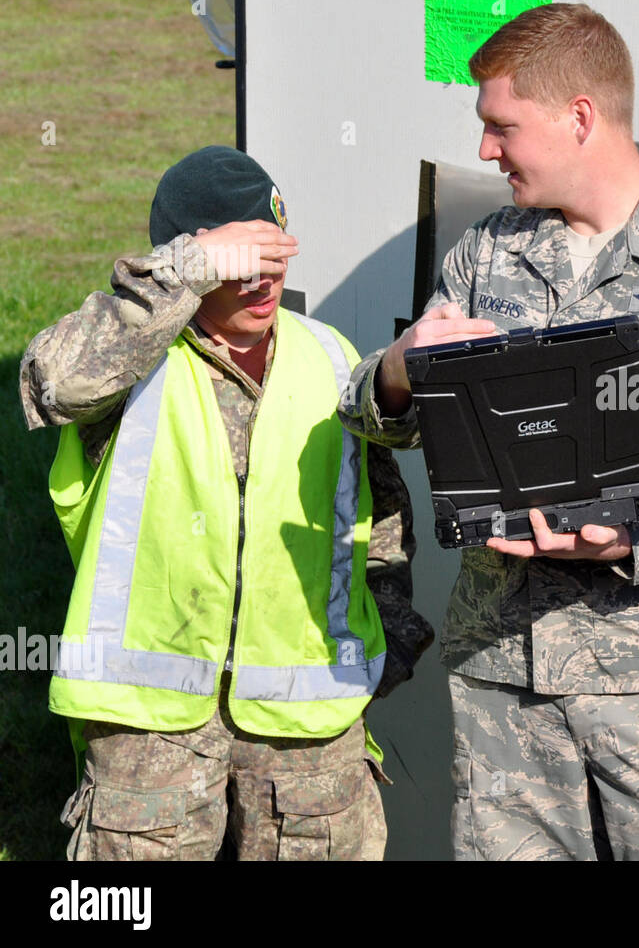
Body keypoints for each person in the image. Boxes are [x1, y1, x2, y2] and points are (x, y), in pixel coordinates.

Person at [338, 3, 639, 860]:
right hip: (507, 679)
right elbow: (398, 424)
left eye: (500, 125)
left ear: (579, 117)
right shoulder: (487, 253)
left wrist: (633, 534)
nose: (485, 150)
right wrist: (399, 369)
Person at [20, 145, 433, 860]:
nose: (262, 285)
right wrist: (182, 270)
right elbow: (51, 381)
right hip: (149, 736)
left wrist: (386, 649)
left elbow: (380, 517)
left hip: (308, 735)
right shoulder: (128, 361)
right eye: (240, 265)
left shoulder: (330, 356)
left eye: (274, 259)